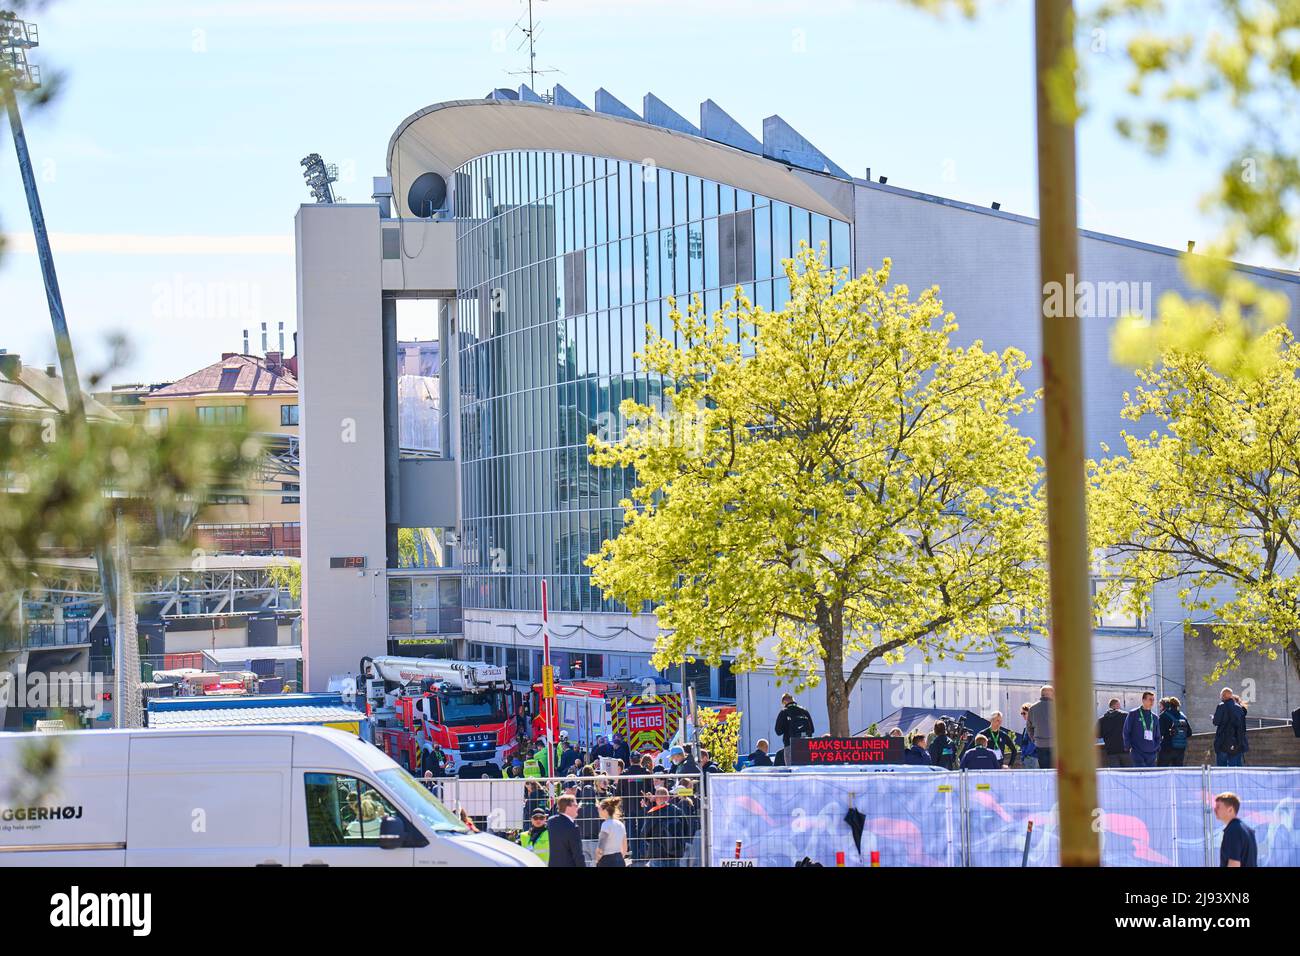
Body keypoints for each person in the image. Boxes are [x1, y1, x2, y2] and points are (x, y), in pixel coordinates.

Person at [640, 786, 685, 867]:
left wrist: (651, 842)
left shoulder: (653, 813)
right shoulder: (678, 811)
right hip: (675, 851)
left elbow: (644, 833)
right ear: (668, 797)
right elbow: (686, 829)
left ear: (656, 798)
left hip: (657, 853)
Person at [1214, 792, 1257, 867]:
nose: (1214, 809)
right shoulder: (1248, 830)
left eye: (1218, 807)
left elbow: (1234, 864)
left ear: (1230, 810)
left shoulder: (1233, 831)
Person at [546, 794, 586, 867]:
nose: (578, 808)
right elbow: (578, 854)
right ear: (568, 807)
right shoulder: (573, 828)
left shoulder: (551, 822)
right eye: (576, 805)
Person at [1123, 691, 1161, 768]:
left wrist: (1156, 748)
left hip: (1151, 754)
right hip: (1137, 752)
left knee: (1151, 777)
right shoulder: (1133, 713)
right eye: (1150, 699)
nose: (1152, 702)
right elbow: (1126, 731)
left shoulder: (1155, 717)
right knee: (1140, 776)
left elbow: (1158, 736)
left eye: (1153, 700)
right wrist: (1129, 747)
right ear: (1143, 700)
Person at [1213, 687, 1248, 767]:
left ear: (1223, 696)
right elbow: (1243, 727)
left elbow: (1216, 722)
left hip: (1223, 742)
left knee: (1221, 769)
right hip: (1236, 743)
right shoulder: (1239, 708)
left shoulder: (1221, 706)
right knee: (1234, 770)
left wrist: (1214, 718)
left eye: (1221, 695)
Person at [1157, 696, 1192, 767]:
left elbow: (1159, 733)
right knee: (1178, 772)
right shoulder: (1183, 716)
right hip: (1180, 749)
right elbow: (1189, 733)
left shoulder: (1164, 715)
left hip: (1167, 748)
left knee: (1162, 771)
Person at [1026, 686, 1055, 769]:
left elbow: (1029, 727)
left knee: (1044, 770)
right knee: (1054, 771)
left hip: (1040, 744)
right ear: (1051, 694)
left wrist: (1034, 739)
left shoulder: (1032, 708)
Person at [1097, 698, 1131, 768]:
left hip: (1111, 751)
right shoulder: (1125, 716)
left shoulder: (1102, 719)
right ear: (1117, 705)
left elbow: (1097, 735)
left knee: (1116, 774)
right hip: (1125, 750)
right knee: (1129, 773)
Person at [595, 796, 628, 867]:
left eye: (599, 809)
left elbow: (601, 847)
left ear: (605, 810)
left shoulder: (605, 825)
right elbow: (625, 847)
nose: (598, 811)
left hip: (607, 861)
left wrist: (597, 860)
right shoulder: (621, 824)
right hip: (620, 860)